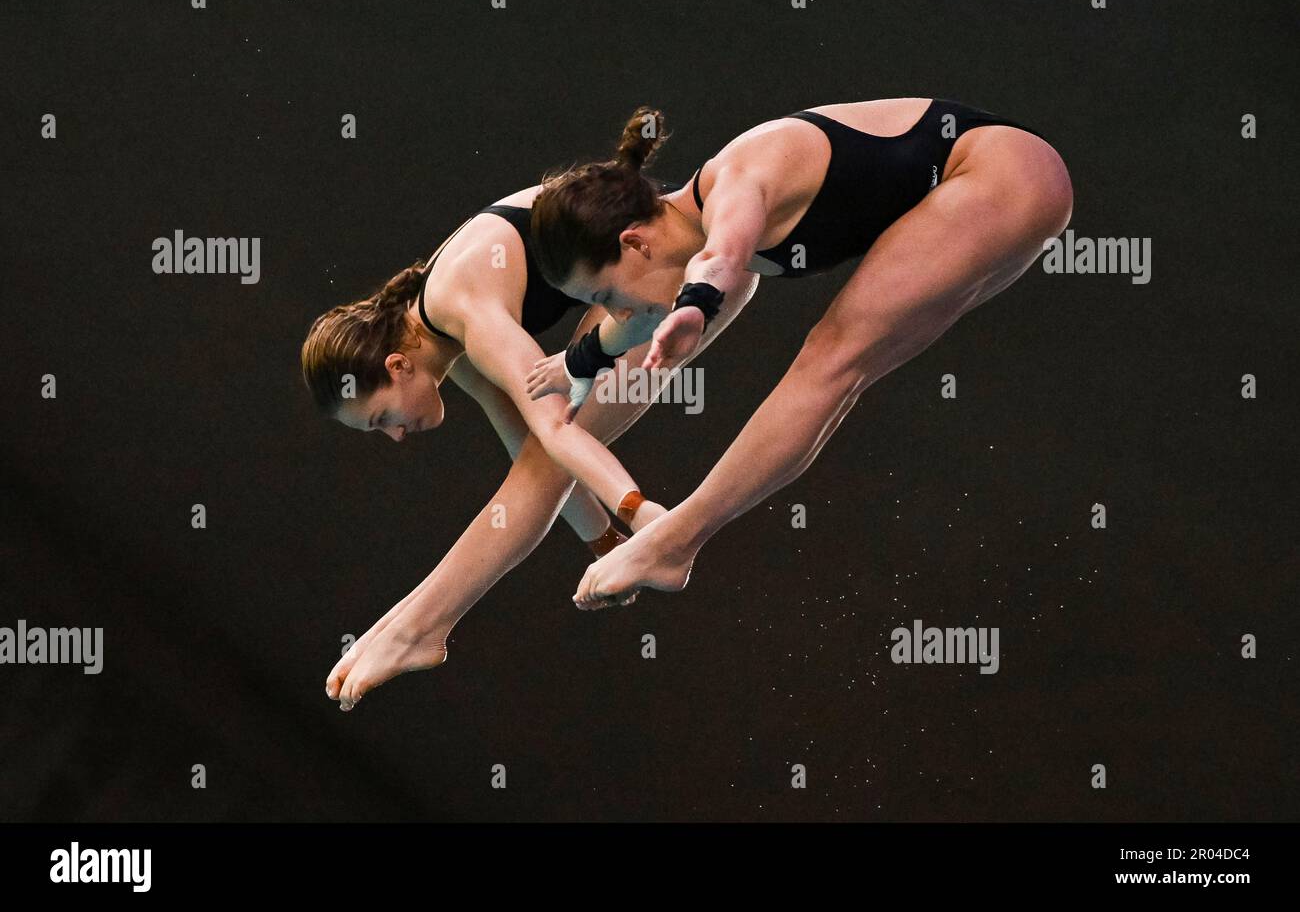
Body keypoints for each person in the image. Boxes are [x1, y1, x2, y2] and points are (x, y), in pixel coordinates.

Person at [525, 98, 1073, 605]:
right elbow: (637, 320)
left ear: (636, 243)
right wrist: (578, 361)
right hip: (1010, 185)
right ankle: (678, 540)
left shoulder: (737, 180)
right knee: (843, 369)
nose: (618, 313)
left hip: (1001, 169)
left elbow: (718, 259)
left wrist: (694, 307)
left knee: (830, 358)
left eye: (604, 296)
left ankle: (675, 540)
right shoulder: (684, 230)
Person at [300, 181, 756, 709]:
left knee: (549, 450)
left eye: (382, 418)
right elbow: (526, 445)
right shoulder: (443, 331)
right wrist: (601, 539)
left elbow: (556, 435)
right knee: (538, 461)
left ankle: (419, 628)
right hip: (661, 272)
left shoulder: (462, 307)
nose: (397, 436)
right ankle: (409, 623)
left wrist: (638, 516)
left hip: (685, 273)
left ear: (398, 366)